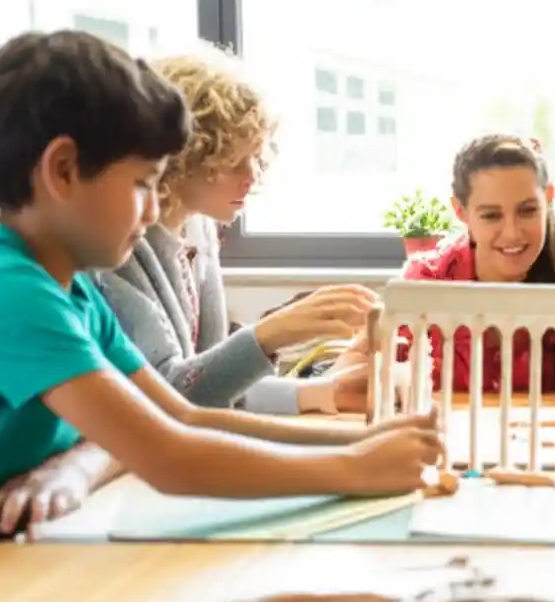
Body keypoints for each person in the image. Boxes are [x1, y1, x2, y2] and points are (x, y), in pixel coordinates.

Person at [0, 31, 441, 598]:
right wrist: (354, 471)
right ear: (62, 171)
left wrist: (359, 442)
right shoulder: (4, 291)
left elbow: (183, 415)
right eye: (141, 184)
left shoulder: (70, 290)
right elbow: (166, 455)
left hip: (5, 567)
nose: (156, 209)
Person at [96, 49, 376, 417]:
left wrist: (328, 393)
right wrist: (272, 333)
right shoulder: (114, 247)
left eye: (256, 157)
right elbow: (168, 398)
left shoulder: (199, 231)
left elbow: (210, 386)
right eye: (232, 159)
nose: (252, 176)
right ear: (183, 156)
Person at [329, 134, 555, 397]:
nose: (512, 233)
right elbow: (344, 373)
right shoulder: (427, 281)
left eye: (527, 210)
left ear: (548, 199)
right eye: (491, 215)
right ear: (461, 212)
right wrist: (390, 377)